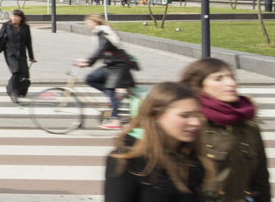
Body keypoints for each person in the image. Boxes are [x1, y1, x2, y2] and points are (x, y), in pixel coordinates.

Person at [105, 82, 214, 202]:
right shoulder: (127, 160)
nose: (196, 122)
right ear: (156, 115)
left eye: (197, 115)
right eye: (185, 115)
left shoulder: (193, 158)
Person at [179, 58, 270, 202]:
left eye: (232, 77)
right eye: (219, 78)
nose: (232, 83)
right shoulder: (191, 123)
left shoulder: (248, 122)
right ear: (198, 85)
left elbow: (260, 179)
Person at [76, 14, 136, 130]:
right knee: (90, 79)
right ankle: (114, 98)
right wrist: (88, 61)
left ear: (95, 22)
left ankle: (115, 120)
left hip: (118, 66)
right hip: (111, 65)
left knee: (109, 89)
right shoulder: (100, 32)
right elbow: (102, 51)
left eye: (88, 22)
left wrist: (88, 61)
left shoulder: (103, 32)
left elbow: (101, 49)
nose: (87, 25)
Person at [0, 9, 35, 104]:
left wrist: (31, 56)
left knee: (23, 74)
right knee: (15, 71)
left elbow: (28, 43)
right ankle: (14, 94)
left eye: (16, 17)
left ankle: (10, 87)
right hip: (10, 53)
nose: (14, 18)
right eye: (13, 16)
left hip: (22, 54)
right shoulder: (6, 25)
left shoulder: (26, 28)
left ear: (21, 18)